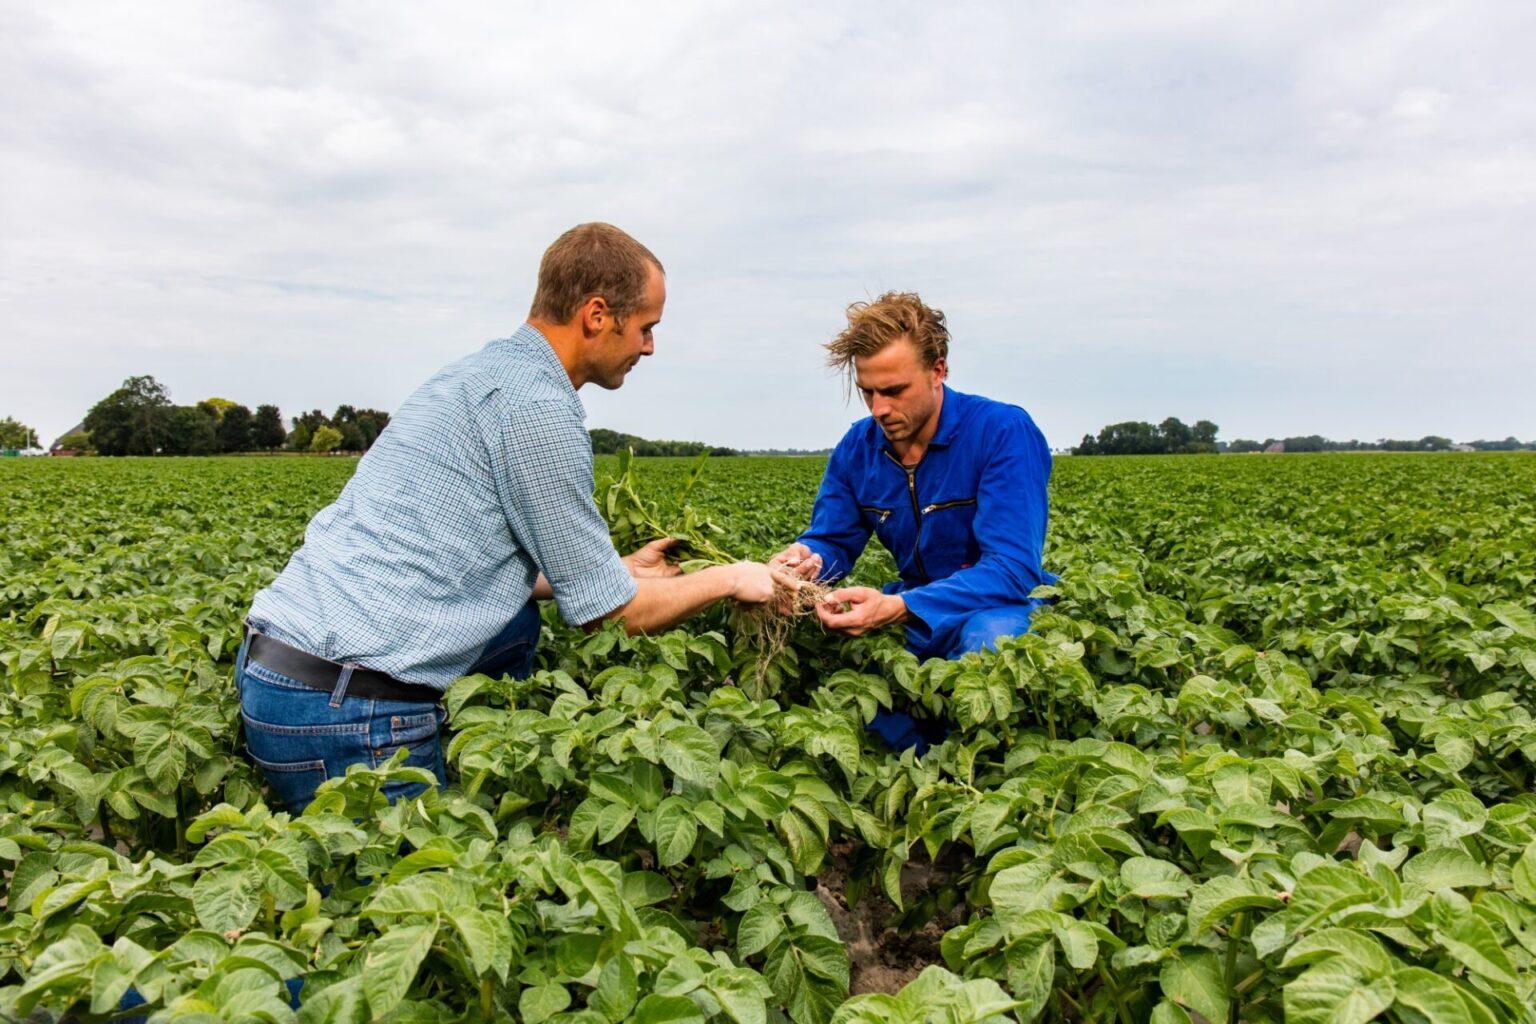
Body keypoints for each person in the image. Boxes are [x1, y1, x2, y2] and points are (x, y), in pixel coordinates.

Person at [238, 223, 787, 812]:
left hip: (280, 677)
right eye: (647, 327)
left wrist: (619, 569)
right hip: (349, 713)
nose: (650, 346)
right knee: (419, 902)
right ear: (597, 314)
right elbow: (610, 617)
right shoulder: (538, 409)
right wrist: (734, 577)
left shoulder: (475, 375)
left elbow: (463, 554)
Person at [770, 291, 1055, 752]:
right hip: (912, 606)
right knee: (831, 661)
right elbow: (832, 539)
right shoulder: (858, 448)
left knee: (989, 642)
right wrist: (805, 564)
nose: (879, 408)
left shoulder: (1001, 432)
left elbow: (1012, 570)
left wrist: (898, 608)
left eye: (895, 391)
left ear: (938, 371)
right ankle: (906, 767)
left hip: (994, 604)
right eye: (868, 392)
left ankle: (976, 768)